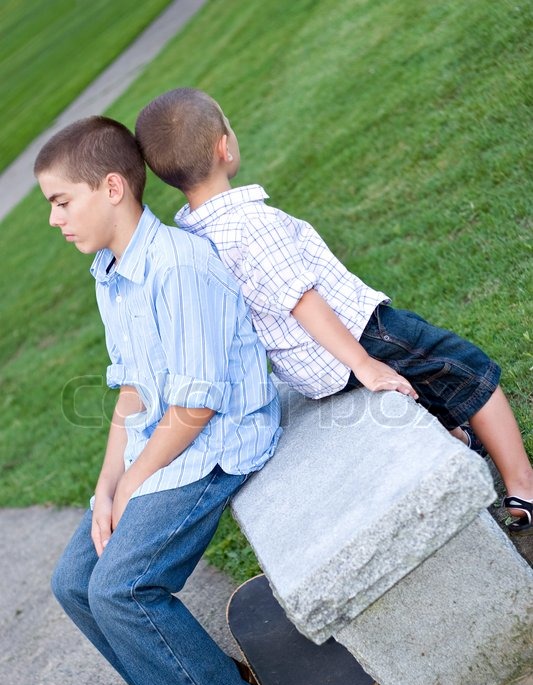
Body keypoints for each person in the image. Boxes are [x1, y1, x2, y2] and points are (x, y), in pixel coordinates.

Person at [135, 88, 533, 535]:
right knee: (468, 369)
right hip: (358, 334)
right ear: (224, 147)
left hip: (308, 369)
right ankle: (524, 488)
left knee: (421, 375)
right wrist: (364, 363)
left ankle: (458, 438)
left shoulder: (195, 239)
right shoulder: (251, 224)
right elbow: (300, 298)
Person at [34, 116, 288, 685]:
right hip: (163, 449)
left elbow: (195, 408)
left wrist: (135, 484)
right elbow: (134, 392)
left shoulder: (179, 266)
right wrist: (104, 487)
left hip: (216, 445)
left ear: (111, 187)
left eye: (61, 201)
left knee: (120, 589)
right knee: (73, 582)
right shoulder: (110, 271)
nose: (54, 220)